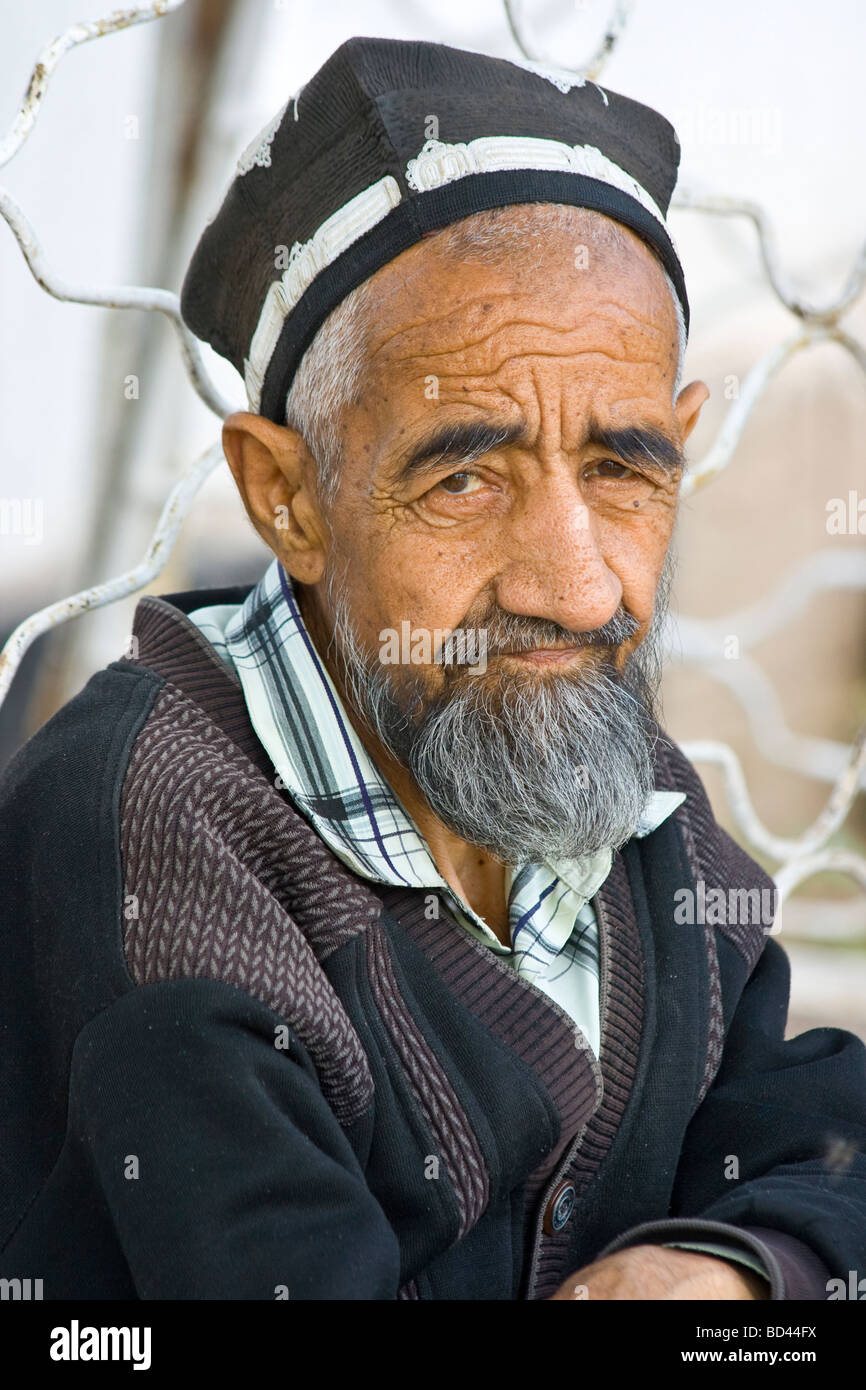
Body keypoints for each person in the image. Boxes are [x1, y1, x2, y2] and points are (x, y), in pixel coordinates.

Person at [2, 36, 864, 1301]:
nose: (574, 588)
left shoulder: (625, 794)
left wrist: (735, 1269)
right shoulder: (146, 832)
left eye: (621, 468)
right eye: (463, 476)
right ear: (288, 498)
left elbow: (808, 1128)